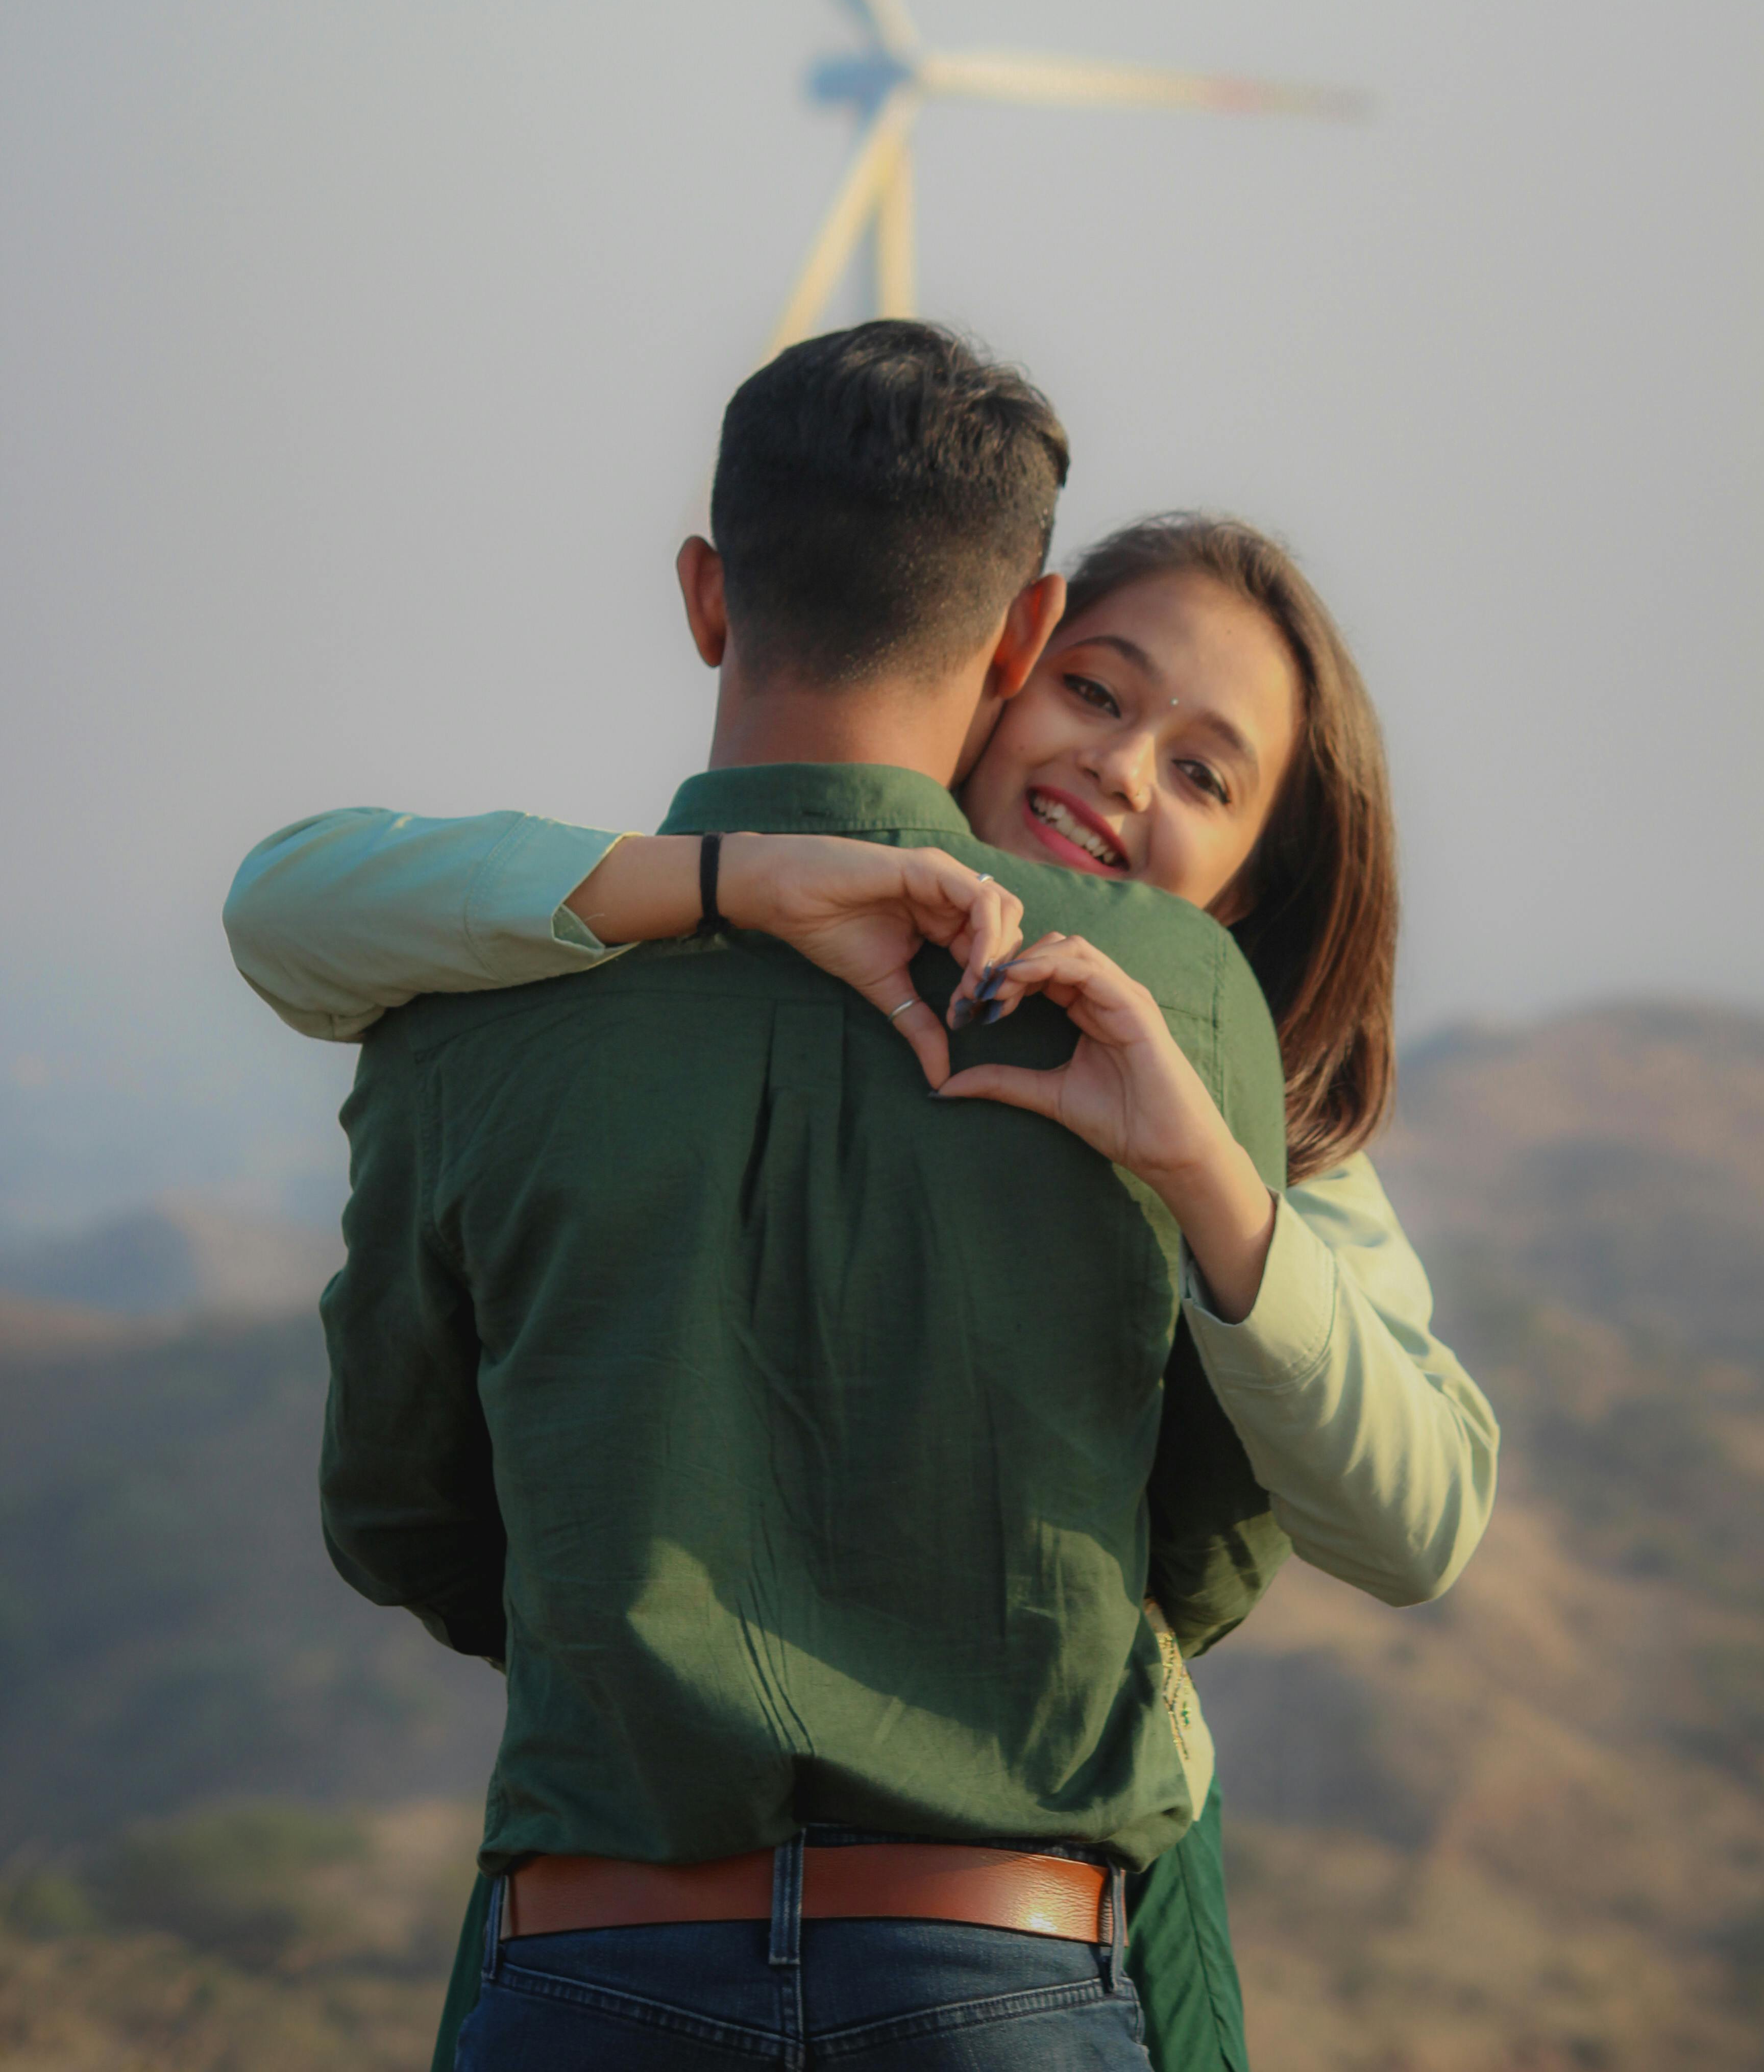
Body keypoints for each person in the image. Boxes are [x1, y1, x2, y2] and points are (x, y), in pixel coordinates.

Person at [230, 451, 1497, 2069]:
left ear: (1255, 882)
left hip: (1051, 1888)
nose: (1122, 770)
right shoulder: (679, 951)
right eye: (1096, 693)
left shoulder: (1247, 1101)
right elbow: (289, 905)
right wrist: (722, 878)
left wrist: (1205, 1169)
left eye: (1206, 777)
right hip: (715, 1879)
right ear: (998, 662)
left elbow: (1415, 1518)